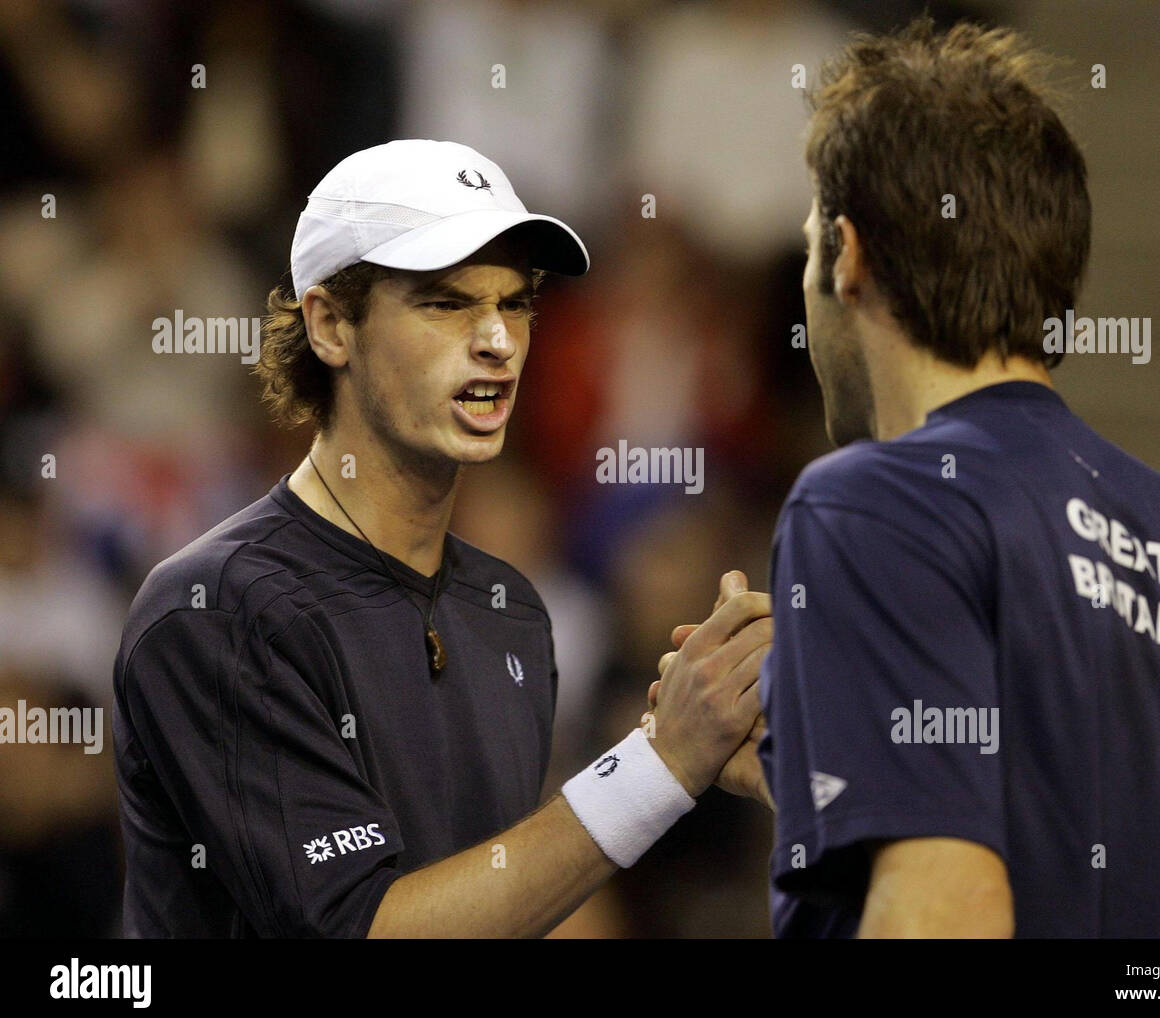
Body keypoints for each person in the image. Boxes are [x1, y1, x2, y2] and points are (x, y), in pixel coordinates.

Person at [112, 139, 770, 938]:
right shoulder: (217, 610)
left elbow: (510, 900)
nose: (498, 340)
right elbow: (364, 928)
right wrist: (661, 763)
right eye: (446, 303)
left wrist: (725, 757)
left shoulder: (512, 611)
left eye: (516, 303)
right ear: (328, 326)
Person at [752, 19, 1160, 938]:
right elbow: (1052, 841)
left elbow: (944, 913)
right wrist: (828, 733)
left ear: (849, 255)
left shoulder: (868, 503)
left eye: (813, 246)